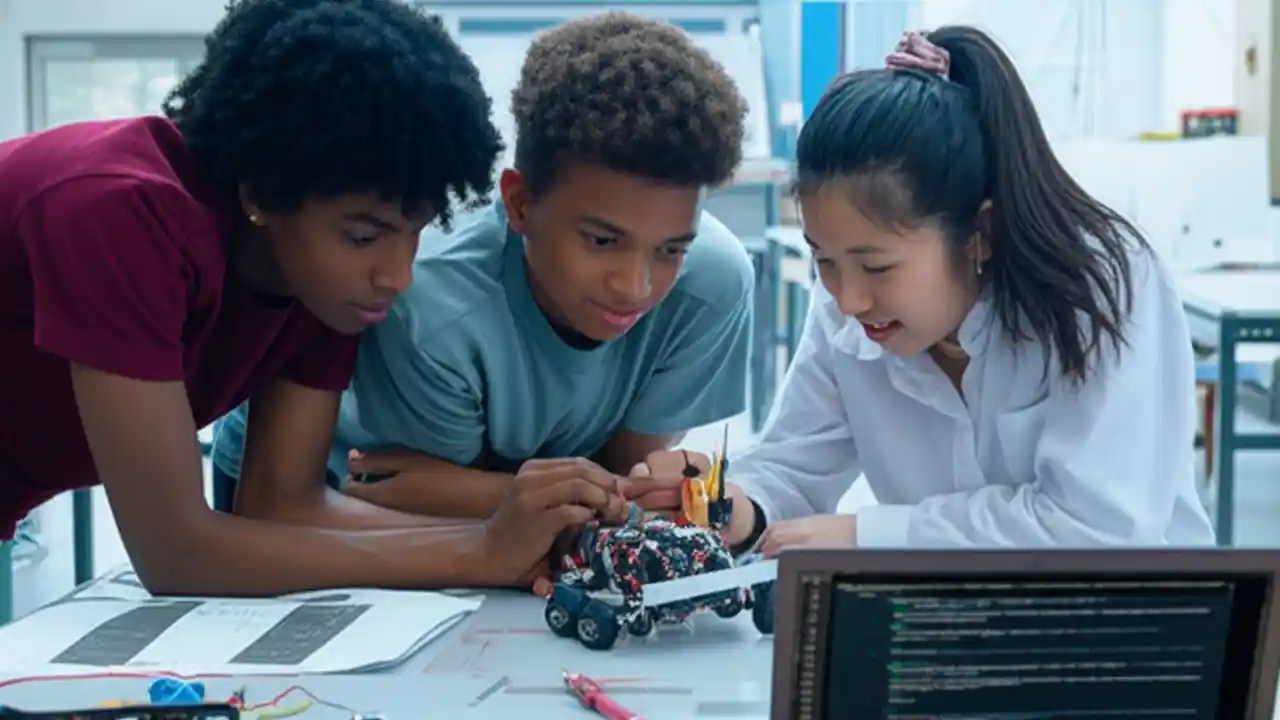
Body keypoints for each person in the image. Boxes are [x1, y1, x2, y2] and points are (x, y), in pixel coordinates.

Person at [0, 0, 626, 596]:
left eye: (415, 232)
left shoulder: (324, 280)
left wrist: (512, 542)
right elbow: (174, 551)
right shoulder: (121, 212)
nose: (398, 276)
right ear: (260, 193)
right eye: (365, 235)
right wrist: (479, 553)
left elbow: (284, 503)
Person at [636, 26, 1216, 555]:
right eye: (824, 260)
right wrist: (735, 504)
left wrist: (872, 532)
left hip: (1127, 633)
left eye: (877, 267)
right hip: (948, 624)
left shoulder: (1103, 285)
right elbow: (796, 462)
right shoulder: (848, 308)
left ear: (978, 233)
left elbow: (1099, 526)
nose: (848, 299)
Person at [209, 11, 754, 528]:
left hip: (487, 497)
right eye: (602, 240)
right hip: (325, 490)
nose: (636, 287)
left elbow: (616, 482)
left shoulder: (711, 286)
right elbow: (403, 496)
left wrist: (561, 494)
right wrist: (572, 495)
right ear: (518, 204)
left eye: (670, 249)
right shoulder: (428, 298)